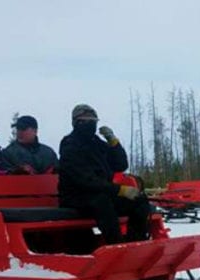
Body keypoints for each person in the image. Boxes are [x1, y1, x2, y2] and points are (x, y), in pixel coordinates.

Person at [58, 104, 150, 244]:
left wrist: (113, 142)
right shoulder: (70, 145)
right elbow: (85, 180)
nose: (90, 124)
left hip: (101, 193)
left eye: (93, 121)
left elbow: (121, 164)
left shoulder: (97, 144)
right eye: (86, 121)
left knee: (139, 201)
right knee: (102, 202)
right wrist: (119, 190)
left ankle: (136, 242)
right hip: (75, 196)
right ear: (77, 122)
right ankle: (116, 245)